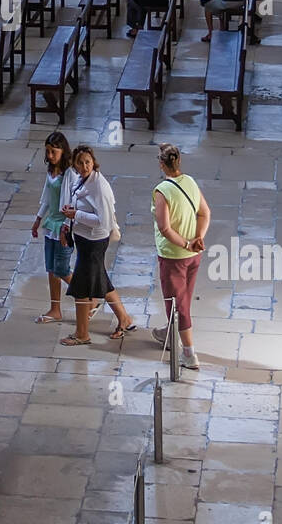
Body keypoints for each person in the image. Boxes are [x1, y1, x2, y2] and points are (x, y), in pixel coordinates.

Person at [60, 146, 136, 346]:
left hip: (94, 242)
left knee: (81, 288)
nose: (85, 166)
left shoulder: (99, 187)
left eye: (88, 162)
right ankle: (124, 319)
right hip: (84, 240)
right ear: (75, 165)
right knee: (101, 280)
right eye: (80, 162)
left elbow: (102, 221)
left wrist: (76, 215)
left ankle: (82, 334)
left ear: (93, 162)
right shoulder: (81, 180)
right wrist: (68, 221)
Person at [150, 144, 210, 371]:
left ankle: (189, 354)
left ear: (161, 164)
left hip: (173, 256)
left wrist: (185, 243)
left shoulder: (162, 191)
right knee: (182, 299)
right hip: (194, 255)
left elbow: (164, 228)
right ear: (179, 162)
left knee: (179, 305)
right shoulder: (191, 182)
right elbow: (205, 213)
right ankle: (171, 330)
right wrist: (198, 239)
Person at [31, 132, 79, 324]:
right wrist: (37, 220)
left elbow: (73, 203)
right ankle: (55, 308)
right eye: (48, 151)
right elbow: (47, 198)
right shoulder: (51, 172)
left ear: (63, 151)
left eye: (54, 151)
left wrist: (66, 227)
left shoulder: (70, 174)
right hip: (51, 225)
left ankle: (87, 297)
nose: (50, 155)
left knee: (62, 268)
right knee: (51, 269)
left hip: (64, 227)